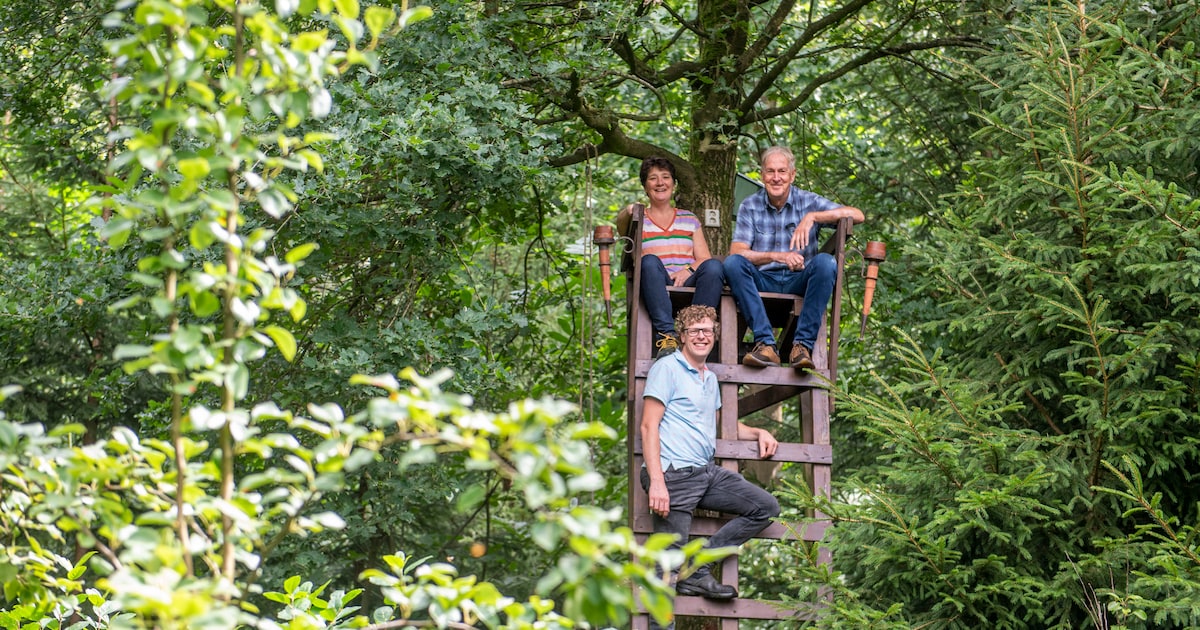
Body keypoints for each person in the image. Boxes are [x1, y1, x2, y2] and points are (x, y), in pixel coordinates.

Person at [640, 304, 780, 615]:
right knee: (666, 572)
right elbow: (648, 425)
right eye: (695, 331)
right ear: (682, 336)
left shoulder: (709, 378)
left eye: (707, 330)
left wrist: (758, 432)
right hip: (672, 474)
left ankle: (698, 568)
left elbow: (721, 426)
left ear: (714, 336)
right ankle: (689, 576)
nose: (702, 336)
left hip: (705, 473)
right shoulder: (667, 369)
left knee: (765, 508)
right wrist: (658, 482)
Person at [724, 146, 865, 370]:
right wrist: (777, 256)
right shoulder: (750, 205)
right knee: (732, 263)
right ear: (762, 175)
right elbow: (737, 252)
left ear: (792, 174)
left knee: (826, 263)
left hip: (798, 282)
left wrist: (813, 217)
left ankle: (801, 346)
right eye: (770, 171)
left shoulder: (808, 201)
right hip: (763, 281)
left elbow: (857, 215)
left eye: (782, 171)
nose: (776, 178)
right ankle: (766, 344)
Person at [618, 157, 725, 359]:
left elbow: (704, 258)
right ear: (645, 186)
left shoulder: (689, 218)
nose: (660, 183)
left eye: (666, 177)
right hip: (656, 283)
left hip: (688, 281)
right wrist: (630, 211)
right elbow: (621, 226)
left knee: (714, 267)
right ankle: (667, 335)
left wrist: (687, 270)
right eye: (653, 178)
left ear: (673, 184)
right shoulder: (639, 220)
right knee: (647, 261)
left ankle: (696, 329)